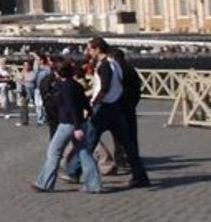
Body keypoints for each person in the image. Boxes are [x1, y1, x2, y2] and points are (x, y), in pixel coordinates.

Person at [64, 37, 150, 189]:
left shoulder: (104, 66)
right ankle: (140, 176)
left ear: (97, 49)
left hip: (104, 108)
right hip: (116, 107)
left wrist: (92, 105)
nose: (88, 52)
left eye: (90, 49)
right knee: (128, 145)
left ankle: (73, 171)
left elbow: (105, 88)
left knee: (88, 141)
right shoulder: (114, 63)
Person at [29, 60, 103, 194]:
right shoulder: (76, 85)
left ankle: (45, 183)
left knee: (54, 152)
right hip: (79, 122)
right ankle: (94, 184)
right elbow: (84, 103)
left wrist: (77, 127)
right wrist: (85, 117)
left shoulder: (64, 87)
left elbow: (72, 107)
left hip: (68, 124)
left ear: (58, 73)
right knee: (84, 153)